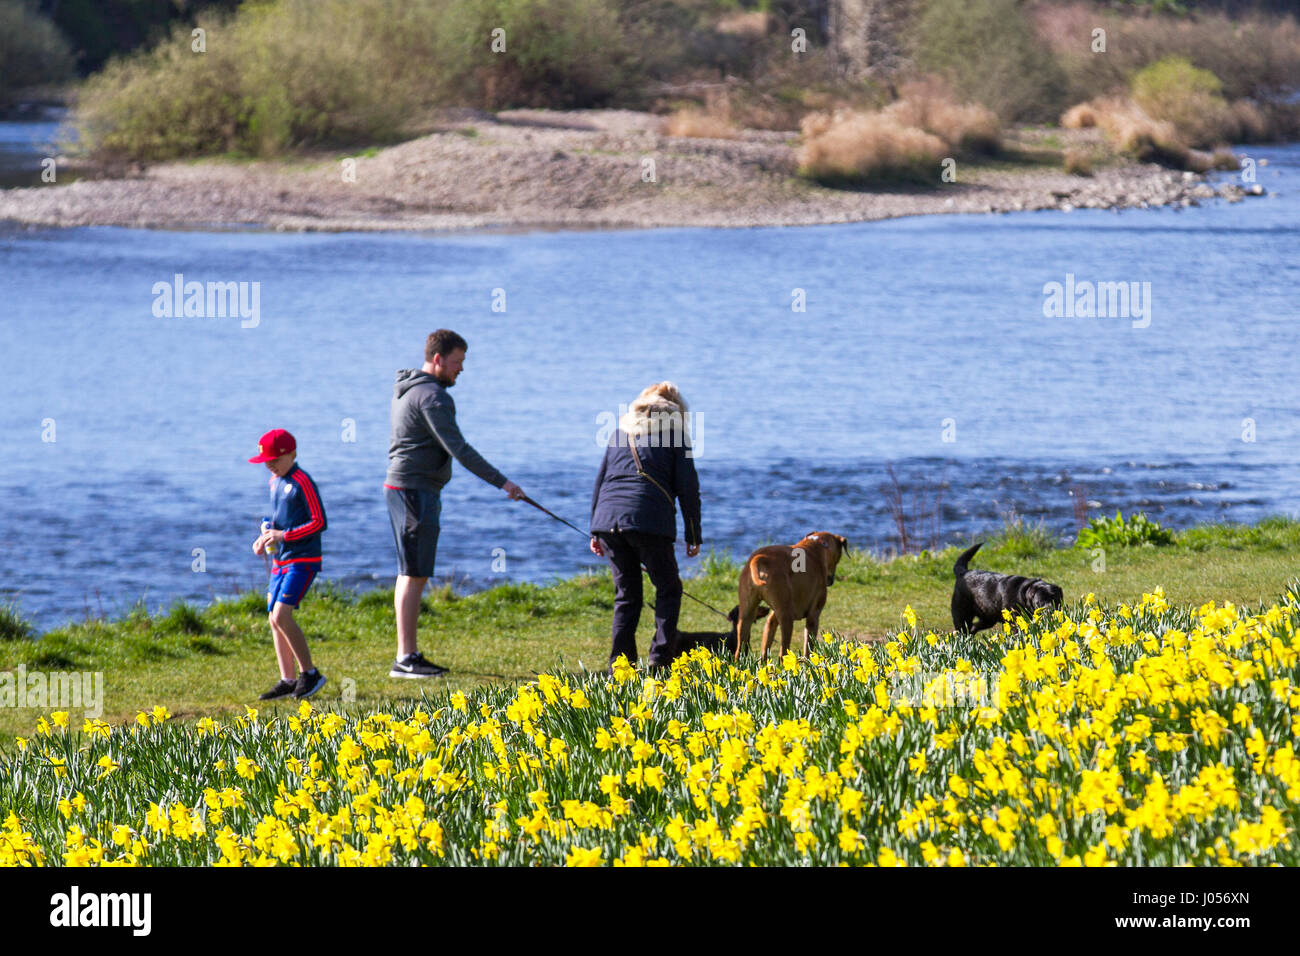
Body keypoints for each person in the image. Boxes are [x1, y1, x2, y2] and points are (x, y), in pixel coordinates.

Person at [385, 329, 525, 678]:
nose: (461, 369)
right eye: (458, 362)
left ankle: (407, 654)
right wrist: (504, 483)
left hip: (405, 487)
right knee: (414, 573)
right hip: (415, 490)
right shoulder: (432, 397)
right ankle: (406, 658)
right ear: (438, 359)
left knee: (411, 571)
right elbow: (459, 450)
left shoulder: (409, 389)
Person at [590, 382, 702, 670]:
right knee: (668, 588)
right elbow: (688, 487)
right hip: (649, 520)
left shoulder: (619, 431)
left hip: (608, 520)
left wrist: (595, 529)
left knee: (626, 595)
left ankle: (621, 666)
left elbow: (601, 480)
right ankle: (660, 659)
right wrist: (693, 533)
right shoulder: (676, 433)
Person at [249, 428, 328, 700]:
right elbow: (279, 519)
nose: (270, 466)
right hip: (281, 559)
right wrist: (266, 534)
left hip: (303, 559)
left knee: (283, 614)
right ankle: (288, 679)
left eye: (275, 460)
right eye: (266, 462)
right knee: (273, 618)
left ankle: (310, 673)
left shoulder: (302, 481)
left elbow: (319, 522)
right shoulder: (275, 482)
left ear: (292, 454)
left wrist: (284, 536)